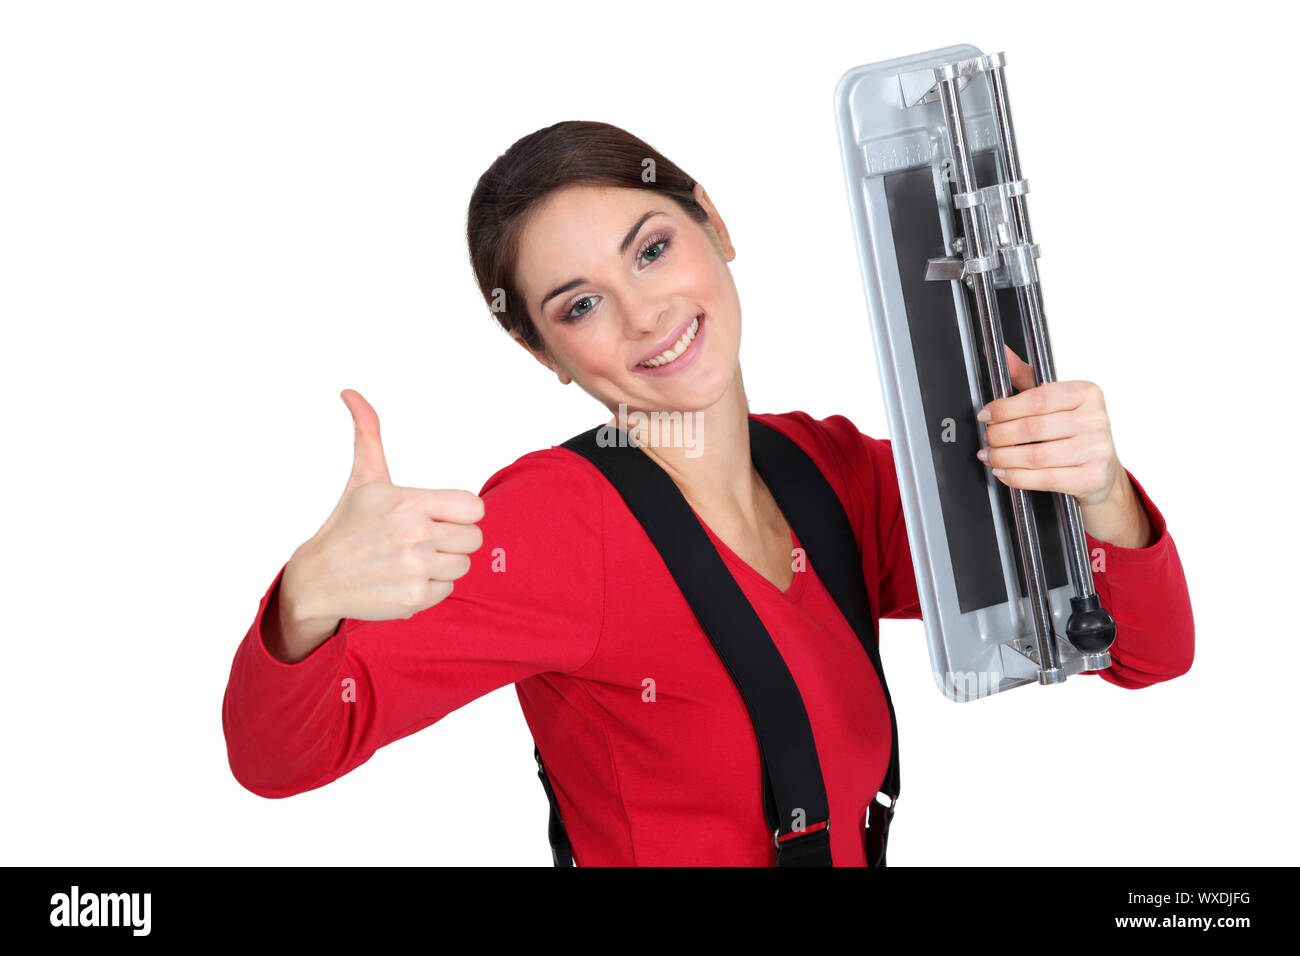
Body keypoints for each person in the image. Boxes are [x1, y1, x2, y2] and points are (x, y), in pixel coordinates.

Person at [221, 120, 1195, 866]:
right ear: (544, 354)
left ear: (714, 226)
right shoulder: (557, 524)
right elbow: (283, 756)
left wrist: (1096, 486)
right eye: (580, 304)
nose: (645, 312)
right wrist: (309, 594)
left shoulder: (828, 472)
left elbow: (1143, 649)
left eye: (651, 249)